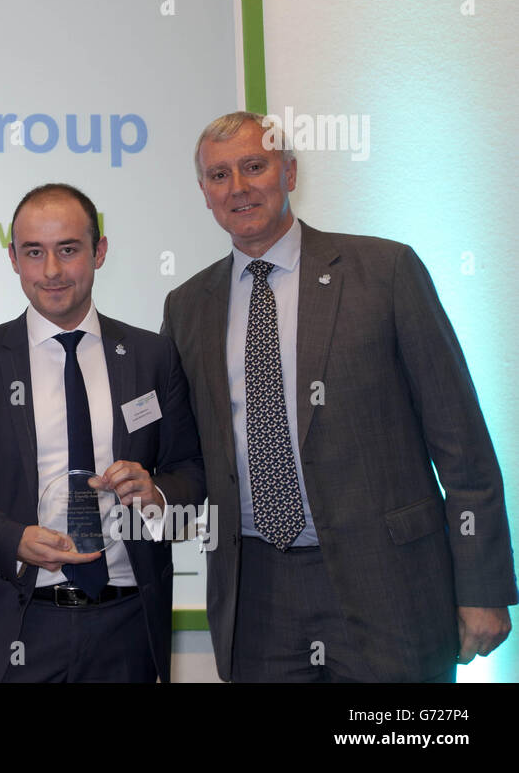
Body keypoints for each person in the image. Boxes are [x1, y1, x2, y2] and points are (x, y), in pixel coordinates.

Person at [162, 111, 517, 682]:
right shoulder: (187, 305)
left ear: (290, 172)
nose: (239, 187)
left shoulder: (384, 270)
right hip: (257, 595)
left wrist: (482, 587)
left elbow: (462, 443)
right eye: (219, 175)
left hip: (388, 585)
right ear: (204, 192)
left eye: (255, 166)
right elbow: (189, 456)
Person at [0, 184, 205, 682]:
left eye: (68, 249)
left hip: (127, 625)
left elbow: (191, 471)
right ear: (13, 259)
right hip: (14, 624)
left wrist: (157, 493)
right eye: (34, 253)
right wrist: (14, 538)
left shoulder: (152, 356)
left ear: (99, 251)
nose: (52, 271)